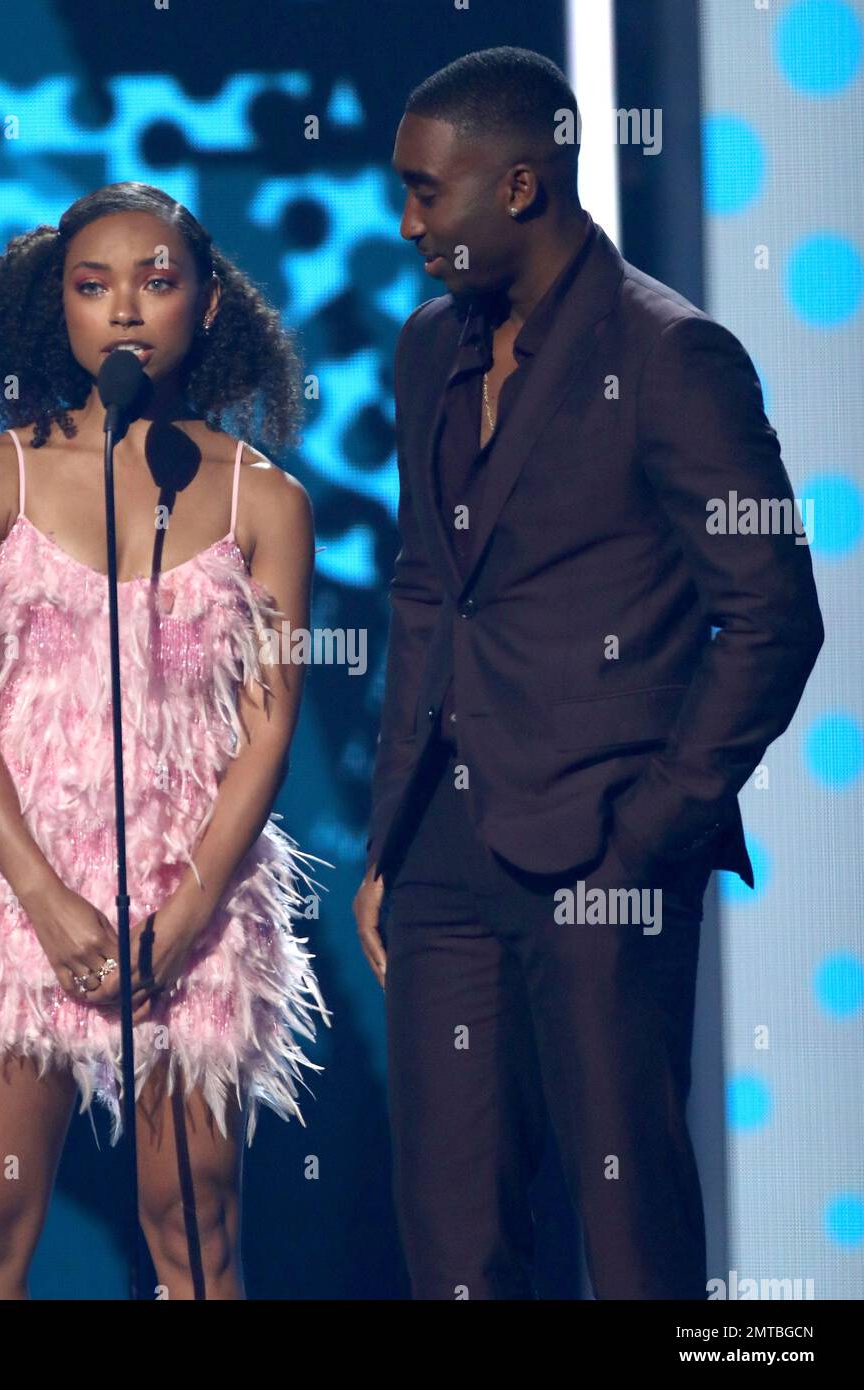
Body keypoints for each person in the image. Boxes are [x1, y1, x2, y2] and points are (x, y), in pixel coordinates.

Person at [353, 48, 823, 1299]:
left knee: (629, 1244)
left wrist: (652, 828)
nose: (405, 225)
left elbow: (772, 614)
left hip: (605, 859)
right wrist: (388, 837)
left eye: (422, 194)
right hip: (443, 864)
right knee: (452, 1246)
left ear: (516, 186)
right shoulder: (423, 351)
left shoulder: (672, 355)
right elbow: (422, 586)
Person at [0, 182, 330, 1300]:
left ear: (207, 306)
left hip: (192, 897)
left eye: (156, 282)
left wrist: (193, 904)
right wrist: (45, 897)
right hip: (16, 890)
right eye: (93, 285)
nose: (125, 309)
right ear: (55, 307)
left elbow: (269, 725)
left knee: (195, 1218)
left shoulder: (265, 499)